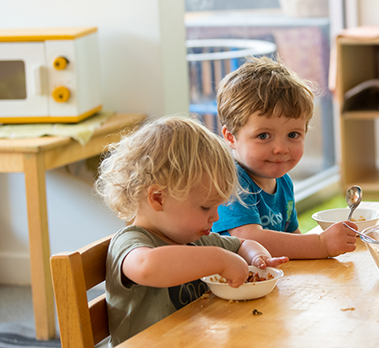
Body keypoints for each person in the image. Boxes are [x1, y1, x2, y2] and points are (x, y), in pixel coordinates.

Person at [97, 116, 289, 346]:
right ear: (158, 198)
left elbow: (242, 244)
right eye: (206, 207)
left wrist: (256, 257)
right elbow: (147, 267)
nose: (215, 217)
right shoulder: (131, 242)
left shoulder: (194, 238)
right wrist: (220, 260)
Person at [213, 56, 357, 258]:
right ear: (231, 137)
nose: (281, 148)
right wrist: (320, 244)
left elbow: (291, 237)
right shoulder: (229, 181)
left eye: (293, 135)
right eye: (263, 136)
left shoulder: (283, 181)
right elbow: (249, 238)